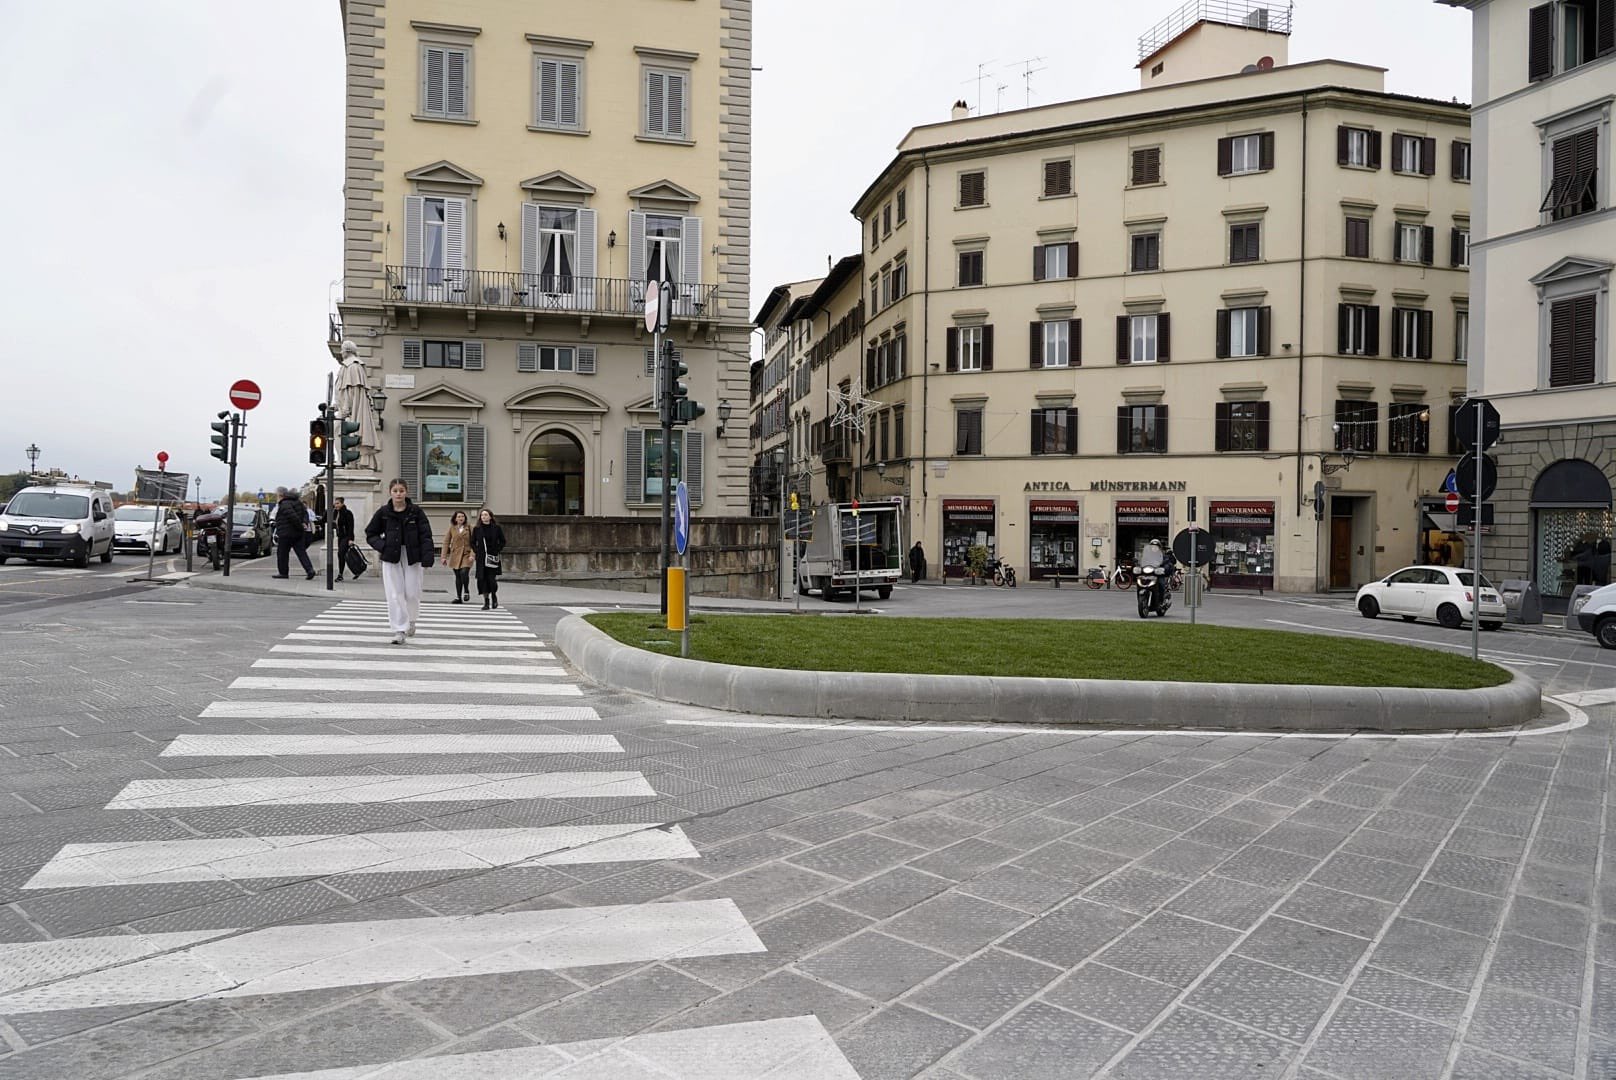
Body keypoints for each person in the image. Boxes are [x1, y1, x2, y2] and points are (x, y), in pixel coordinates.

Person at [365, 479, 434, 644]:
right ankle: (399, 630)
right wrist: (383, 546)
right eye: (395, 490)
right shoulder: (383, 513)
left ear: (406, 492)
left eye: (401, 490)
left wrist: (427, 556)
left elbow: (426, 535)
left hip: (412, 555)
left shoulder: (416, 512)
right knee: (395, 594)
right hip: (391, 555)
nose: (398, 494)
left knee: (412, 592)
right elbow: (370, 534)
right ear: (390, 492)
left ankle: (411, 620)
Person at [272, 487, 316, 580]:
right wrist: (304, 523)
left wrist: (300, 525)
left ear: (281, 495)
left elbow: (292, 516)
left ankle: (283, 573)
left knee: (282, 553)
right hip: (298, 533)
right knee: (301, 553)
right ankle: (309, 570)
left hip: (286, 533)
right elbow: (305, 514)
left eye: (277, 495)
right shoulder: (298, 502)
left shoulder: (284, 504)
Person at [471, 508, 506, 610]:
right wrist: (477, 551)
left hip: (493, 557)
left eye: (486, 515)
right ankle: (486, 601)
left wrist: (497, 550)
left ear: (490, 516)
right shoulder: (477, 529)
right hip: (481, 558)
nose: (483, 517)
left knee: (491, 579)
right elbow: (472, 542)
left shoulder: (496, 528)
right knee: (482, 579)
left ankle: (494, 596)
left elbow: (503, 541)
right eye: (482, 515)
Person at [441, 510, 474, 604]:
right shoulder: (452, 528)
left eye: (462, 516)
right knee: (458, 576)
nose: (461, 518)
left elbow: (475, 543)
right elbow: (446, 542)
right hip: (455, 555)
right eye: (459, 517)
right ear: (455, 518)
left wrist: (472, 554)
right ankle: (458, 597)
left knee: (464, 572)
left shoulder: (469, 528)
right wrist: (443, 557)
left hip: (466, 555)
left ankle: (466, 591)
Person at [332, 497, 356, 581]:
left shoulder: (347, 513)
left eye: (338, 503)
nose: (336, 505)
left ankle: (340, 574)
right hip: (340, 537)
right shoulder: (335, 513)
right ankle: (356, 569)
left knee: (341, 553)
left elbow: (351, 527)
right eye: (335, 503)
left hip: (346, 537)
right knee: (343, 555)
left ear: (342, 503)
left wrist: (351, 539)